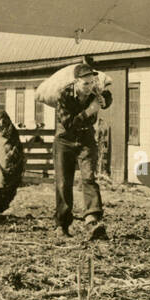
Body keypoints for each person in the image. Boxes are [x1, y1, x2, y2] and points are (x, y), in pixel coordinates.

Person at [37, 57, 113, 240]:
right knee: (64, 183)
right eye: (85, 84)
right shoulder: (64, 96)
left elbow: (108, 97)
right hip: (64, 140)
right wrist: (89, 111)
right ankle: (62, 225)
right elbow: (69, 124)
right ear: (76, 83)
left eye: (92, 83)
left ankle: (93, 221)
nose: (89, 87)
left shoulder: (95, 91)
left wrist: (104, 101)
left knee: (89, 177)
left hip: (86, 139)